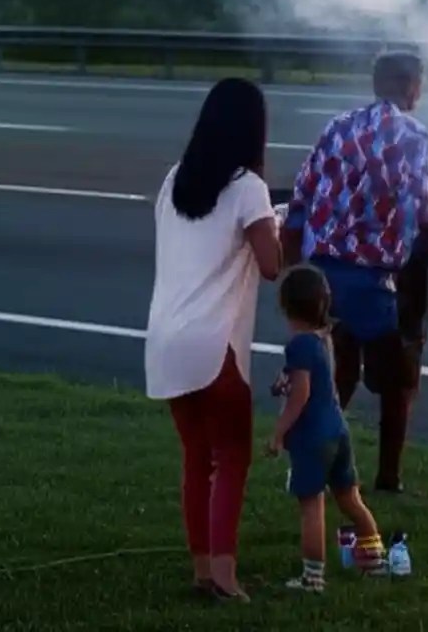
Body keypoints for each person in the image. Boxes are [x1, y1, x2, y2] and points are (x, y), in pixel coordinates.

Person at [143, 77, 282, 602]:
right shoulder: (249, 186)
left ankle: (203, 570)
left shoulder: (174, 179)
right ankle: (225, 578)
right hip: (213, 343)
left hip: (164, 339)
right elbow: (271, 267)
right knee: (233, 457)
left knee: (196, 459)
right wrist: (277, 227)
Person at [280, 51, 428, 493]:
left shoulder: (337, 127)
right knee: (397, 382)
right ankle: (388, 477)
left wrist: (296, 250)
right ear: (411, 87)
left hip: (326, 271)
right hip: (372, 279)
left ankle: (319, 458)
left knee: (339, 372)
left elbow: (304, 190)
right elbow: (422, 211)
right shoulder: (413, 136)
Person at [267, 265, 388, 591]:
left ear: (285, 305)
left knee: (311, 505)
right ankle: (374, 558)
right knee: (350, 499)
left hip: (312, 437)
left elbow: (302, 393)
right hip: (338, 430)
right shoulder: (323, 339)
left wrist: (279, 432)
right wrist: (286, 380)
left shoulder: (298, 345)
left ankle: (313, 577)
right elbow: (309, 379)